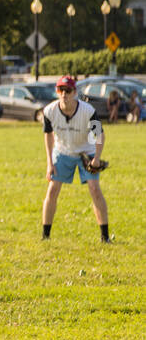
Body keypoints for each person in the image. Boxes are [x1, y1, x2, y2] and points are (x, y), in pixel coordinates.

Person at [41, 75, 109, 243]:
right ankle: (45, 236)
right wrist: (50, 163)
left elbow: (99, 134)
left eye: (68, 90)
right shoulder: (49, 111)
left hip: (87, 151)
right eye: (60, 90)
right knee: (52, 189)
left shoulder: (88, 111)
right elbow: (48, 135)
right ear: (57, 92)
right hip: (63, 151)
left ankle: (105, 237)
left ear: (74, 92)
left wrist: (97, 159)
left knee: (94, 189)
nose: (64, 94)